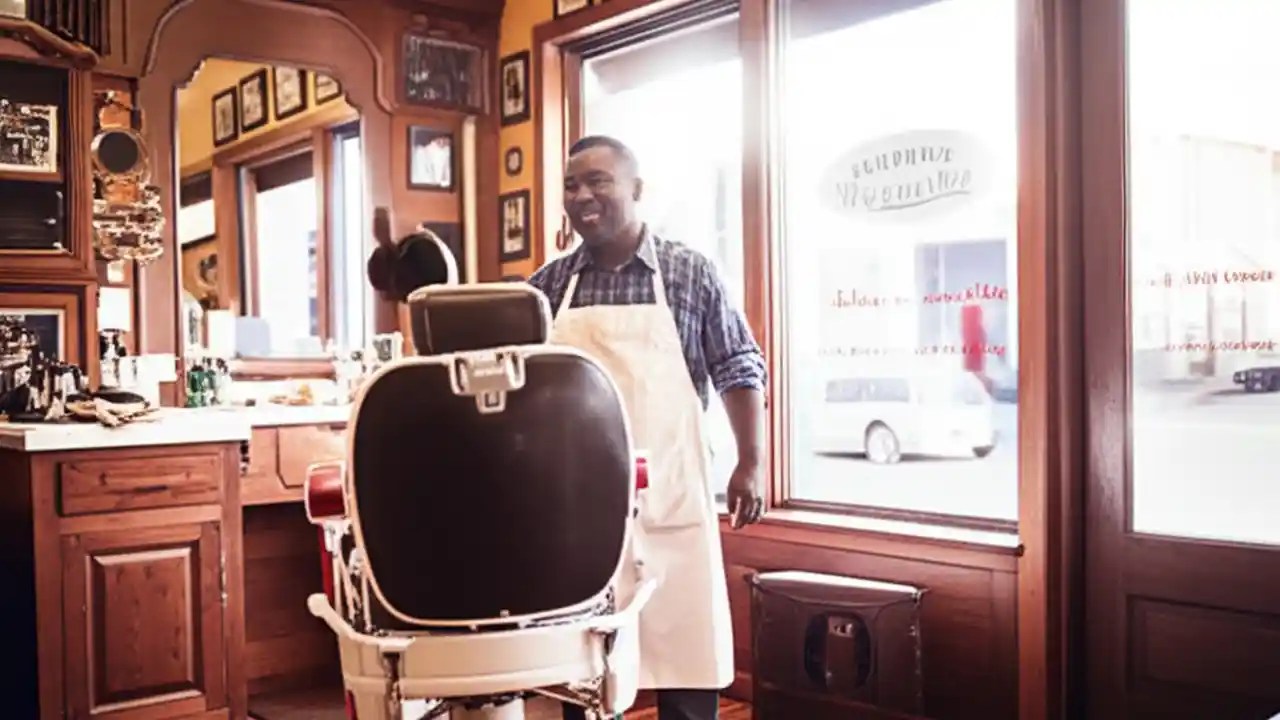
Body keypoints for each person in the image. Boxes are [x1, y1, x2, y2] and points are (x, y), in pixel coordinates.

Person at [528, 135, 767, 720]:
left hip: (671, 500)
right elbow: (522, 391)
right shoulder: (548, 286)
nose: (582, 195)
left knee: (685, 654)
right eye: (570, 185)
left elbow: (738, 365)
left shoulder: (689, 272)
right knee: (580, 667)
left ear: (637, 189)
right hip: (574, 511)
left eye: (598, 181)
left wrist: (751, 462)